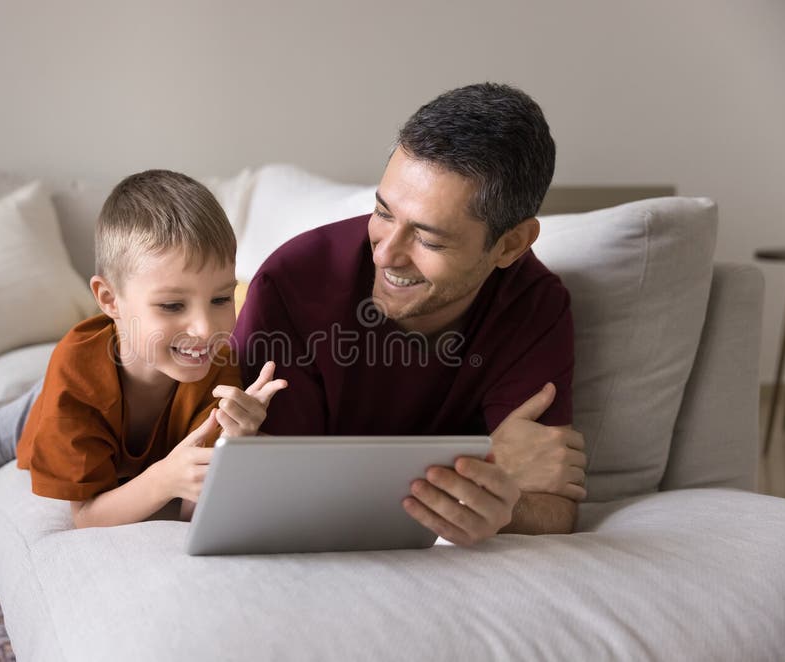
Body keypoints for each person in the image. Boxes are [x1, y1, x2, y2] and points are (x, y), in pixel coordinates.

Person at [233, 83, 587, 546]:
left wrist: (505, 509)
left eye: (429, 239)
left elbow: (555, 506)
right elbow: (268, 491)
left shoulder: (534, 304)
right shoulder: (290, 285)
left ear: (511, 245)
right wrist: (491, 467)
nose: (387, 255)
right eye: (383, 213)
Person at [0, 170, 287, 527]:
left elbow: (188, 514)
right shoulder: (77, 376)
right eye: (172, 305)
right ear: (109, 300)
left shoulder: (218, 365)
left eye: (220, 299)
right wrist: (163, 478)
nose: (206, 328)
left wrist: (232, 446)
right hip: (43, 408)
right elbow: (87, 516)